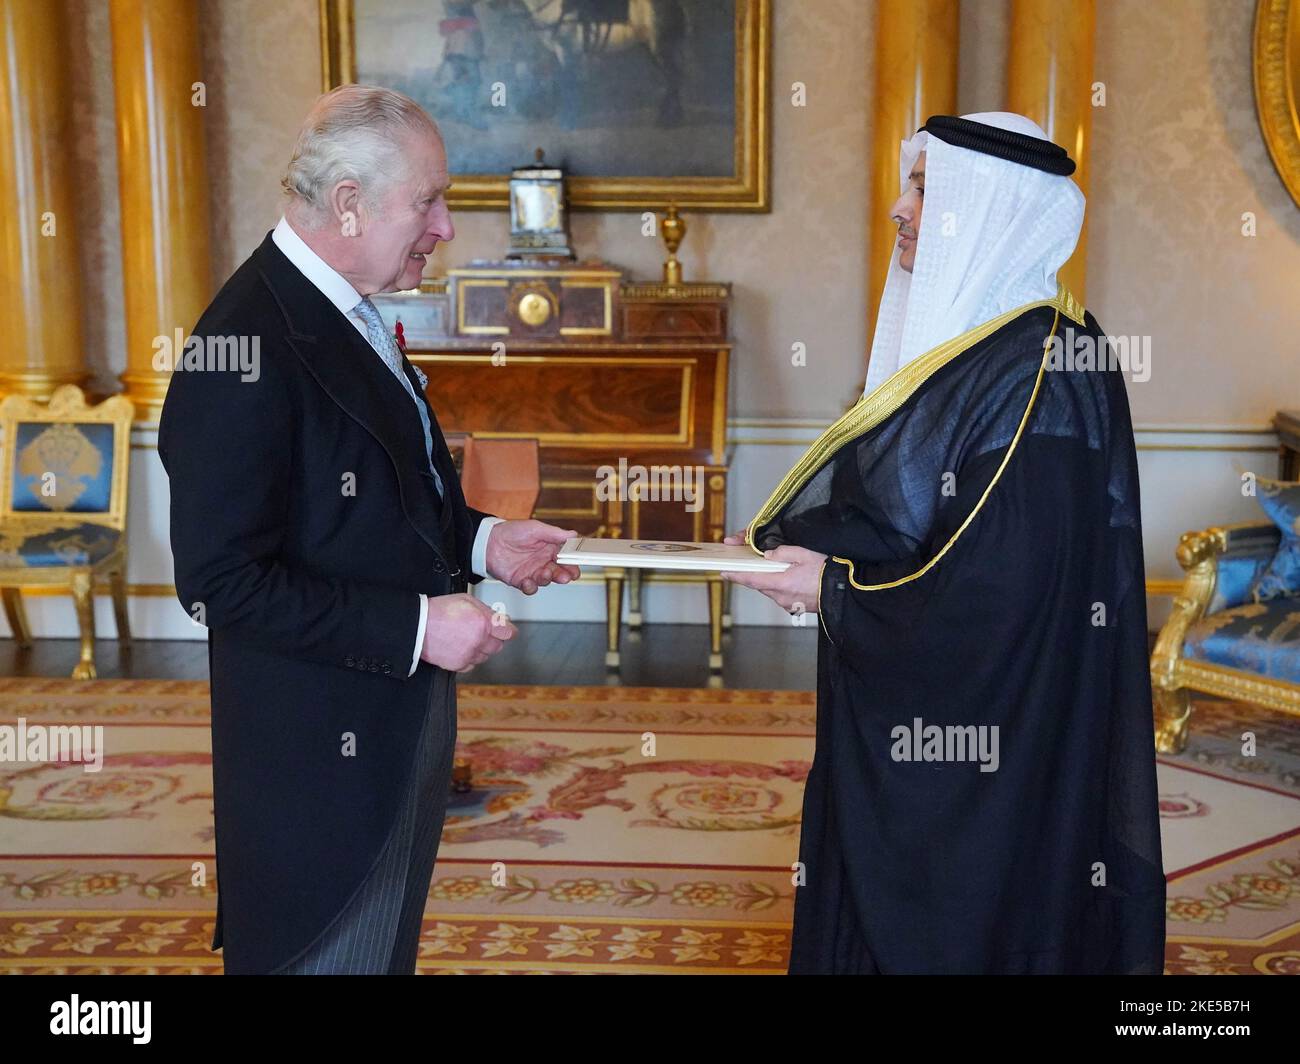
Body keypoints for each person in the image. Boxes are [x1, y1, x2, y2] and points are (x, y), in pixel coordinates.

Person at [722, 113, 1166, 974]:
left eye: (924, 188)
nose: (899, 209)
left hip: (997, 737)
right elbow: (907, 512)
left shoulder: (1045, 364)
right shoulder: (985, 351)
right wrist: (793, 548)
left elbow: (1004, 584)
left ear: (988, 208)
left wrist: (835, 592)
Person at [158, 84, 579, 975]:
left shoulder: (340, 309)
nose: (446, 227)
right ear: (349, 204)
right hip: (318, 769)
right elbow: (220, 583)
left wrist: (480, 544)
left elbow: (374, 500)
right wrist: (421, 626)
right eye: (428, 200)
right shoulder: (241, 345)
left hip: (388, 732)